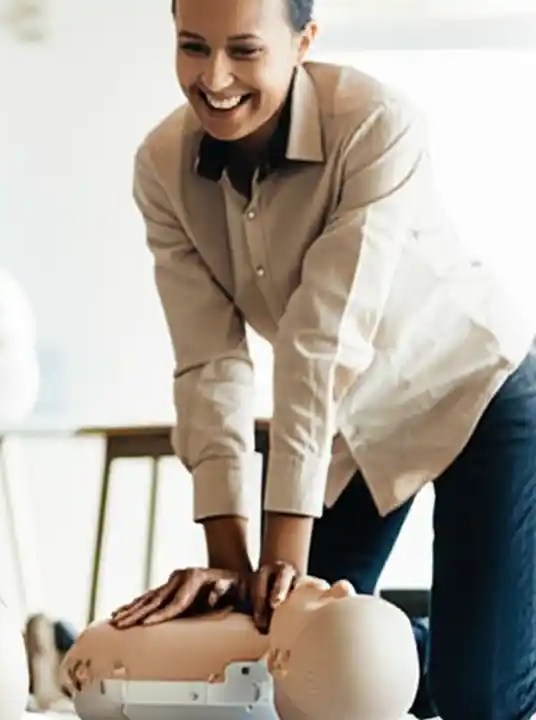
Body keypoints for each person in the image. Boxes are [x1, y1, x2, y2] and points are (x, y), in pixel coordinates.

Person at [109, 1, 536, 718]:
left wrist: (282, 560)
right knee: (295, 664)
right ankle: (460, 640)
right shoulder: (161, 166)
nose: (214, 78)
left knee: (482, 697)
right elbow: (208, 362)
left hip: (476, 390)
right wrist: (231, 565)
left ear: (303, 41)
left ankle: (501, 642)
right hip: (350, 422)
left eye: (245, 51)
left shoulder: (375, 124)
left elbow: (320, 339)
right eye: (192, 47)